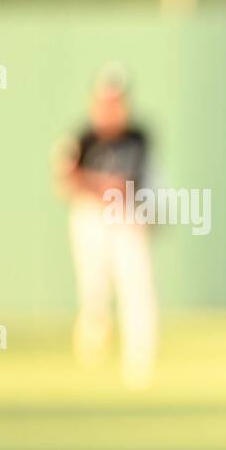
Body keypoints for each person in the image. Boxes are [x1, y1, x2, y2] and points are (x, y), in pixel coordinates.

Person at [52, 65, 157, 389]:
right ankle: (92, 351)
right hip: (90, 218)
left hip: (125, 217)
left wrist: (147, 213)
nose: (113, 106)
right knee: (93, 289)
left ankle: (139, 360)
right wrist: (99, 184)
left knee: (136, 286)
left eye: (118, 100)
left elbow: (139, 182)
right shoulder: (82, 137)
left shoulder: (138, 136)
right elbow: (65, 178)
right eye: (107, 100)